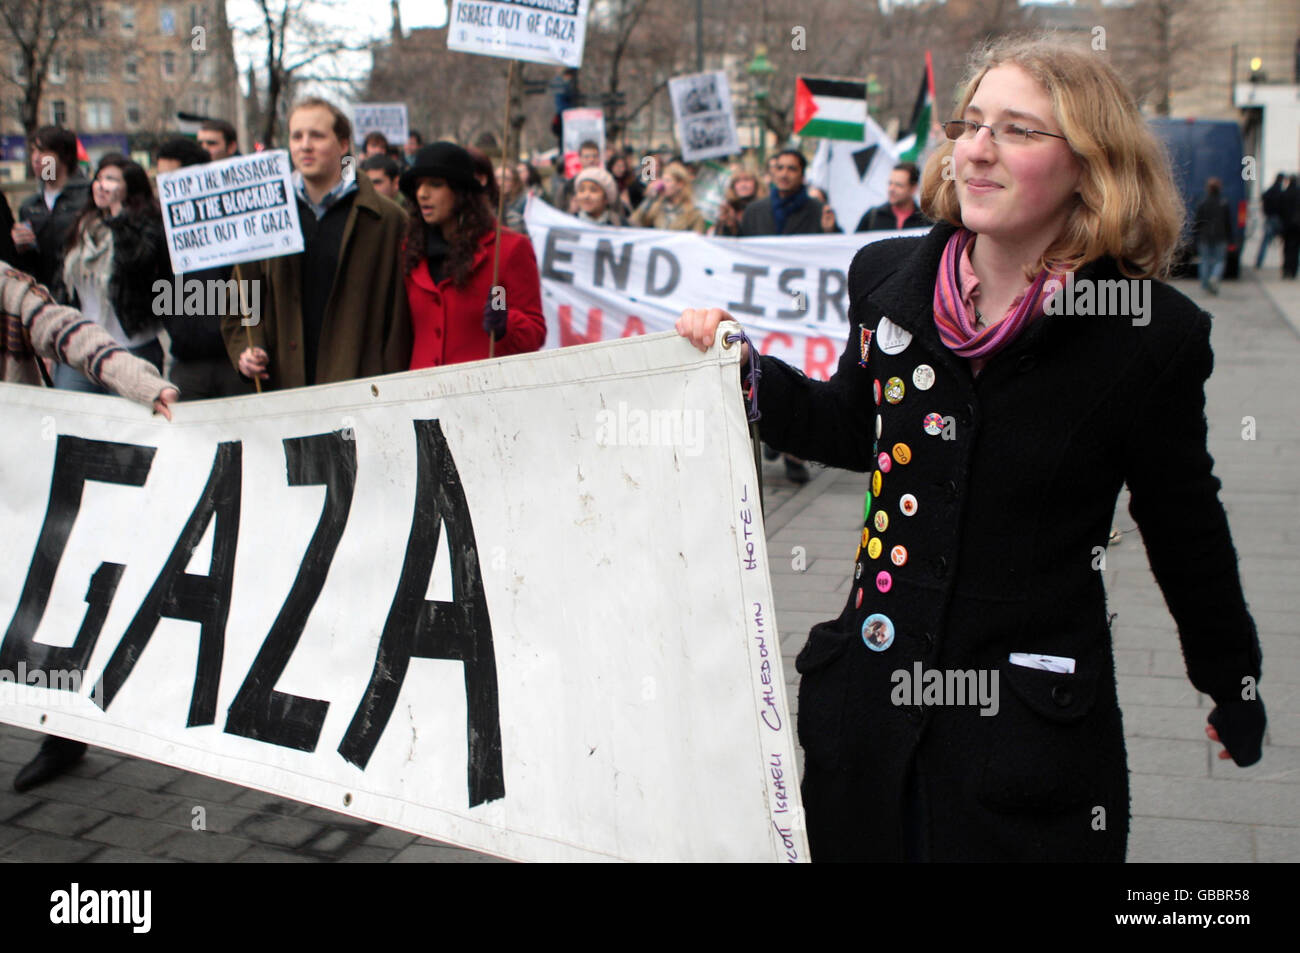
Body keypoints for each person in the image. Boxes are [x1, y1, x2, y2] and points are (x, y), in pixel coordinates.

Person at [676, 37, 1265, 862]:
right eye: (970, 123)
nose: (977, 150)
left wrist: (1229, 677)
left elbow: (1184, 525)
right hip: (868, 715)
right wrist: (748, 376)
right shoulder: (887, 277)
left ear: (1092, 166)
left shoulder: (1148, 336)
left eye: (1018, 131)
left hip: (1024, 740)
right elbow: (853, 425)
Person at [3, 263, 178, 792]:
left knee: (47, 606)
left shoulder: (6, 287)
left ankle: (64, 734)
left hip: (19, 479)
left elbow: (67, 329)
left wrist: (142, 383)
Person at [223, 97, 410, 390]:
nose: (305, 145)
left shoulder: (387, 220)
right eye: (297, 136)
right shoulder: (265, 215)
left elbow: (399, 316)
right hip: (284, 388)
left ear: (344, 144)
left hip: (362, 391)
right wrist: (247, 350)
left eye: (317, 135)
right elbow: (241, 297)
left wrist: (389, 381)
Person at [400, 141, 545, 368]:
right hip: (421, 396)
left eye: (435, 185)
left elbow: (535, 334)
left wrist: (507, 325)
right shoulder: (411, 250)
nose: (422, 194)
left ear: (460, 192)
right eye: (418, 186)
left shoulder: (509, 248)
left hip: (483, 395)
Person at [54, 154, 168, 393]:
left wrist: (119, 219)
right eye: (98, 178)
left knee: (128, 426)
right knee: (72, 419)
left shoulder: (146, 223)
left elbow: (137, 264)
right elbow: (64, 283)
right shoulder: (84, 224)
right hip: (82, 346)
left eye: (111, 179)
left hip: (131, 346)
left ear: (130, 188)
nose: (101, 185)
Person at [154, 137, 255, 400]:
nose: (165, 187)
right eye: (160, 179)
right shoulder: (159, 226)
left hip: (235, 359)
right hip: (187, 361)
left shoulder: (234, 221)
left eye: (172, 178)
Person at [12, 126, 90, 295]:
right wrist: (18, 246)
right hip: (44, 297)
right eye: (33, 151)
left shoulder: (88, 198)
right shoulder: (30, 206)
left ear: (64, 157)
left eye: (43, 152)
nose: (36, 159)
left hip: (80, 296)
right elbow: (28, 264)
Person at [740, 149, 825, 236]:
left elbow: (831, 243)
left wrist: (829, 229)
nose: (784, 174)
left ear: (802, 175)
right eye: (780, 168)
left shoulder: (818, 211)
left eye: (792, 169)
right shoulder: (754, 211)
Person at [629, 161, 707, 233]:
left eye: (668, 181)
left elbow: (697, 240)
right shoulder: (657, 207)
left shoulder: (693, 213)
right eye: (663, 180)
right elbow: (633, 221)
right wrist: (649, 199)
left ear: (680, 184)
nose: (663, 185)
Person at [856, 161, 931, 232]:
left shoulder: (926, 222)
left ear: (913, 189)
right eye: (890, 183)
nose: (891, 189)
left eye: (899, 185)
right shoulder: (872, 216)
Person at [1193, 176, 1232, 294]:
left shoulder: (1202, 202)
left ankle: (1205, 284)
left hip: (1204, 236)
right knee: (1219, 260)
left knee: (1204, 260)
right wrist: (1230, 237)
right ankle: (1214, 277)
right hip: (1220, 236)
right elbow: (1228, 222)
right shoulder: (1223, 203)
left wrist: (1195, 236)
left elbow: (1197, 221)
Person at [553, 139, 601, 214]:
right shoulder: (567, 187)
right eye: (587, 157)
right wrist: (571, 211)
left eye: (594, 156)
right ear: (580, 159)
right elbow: (557, 216)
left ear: (599, 159)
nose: (591, 160)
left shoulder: (607, 184)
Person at [1254, 173, 1285, 269]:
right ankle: (1284, 264)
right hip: (1278, 218)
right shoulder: (1280, 191)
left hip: (1269, 218)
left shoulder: (1270, 190)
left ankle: (1259, 262)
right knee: (1285, 241)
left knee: (1265, 241)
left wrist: (1266, 211)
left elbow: (1263, 197)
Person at [497, 163, 529, 234]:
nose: (500, 183)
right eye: (497, 178)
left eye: (506, 179)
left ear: (515, 181)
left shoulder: (524, 200)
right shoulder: (493, 200)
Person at [1281, 174, 1300, 280]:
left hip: (1286, 225)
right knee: (1295, 248)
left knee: (1286, 247)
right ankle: (1293, 270)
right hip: (1297, 226)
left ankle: (1286, 269)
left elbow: (1280, 209)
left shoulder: (1285, 193)